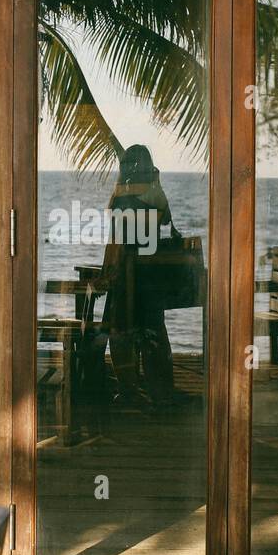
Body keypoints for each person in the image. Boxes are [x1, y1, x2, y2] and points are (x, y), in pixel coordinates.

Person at [97, 145, 180, 405]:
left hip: (127, 269)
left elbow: (115, 230)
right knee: (152, 332)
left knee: (121, 330)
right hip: (150, 271)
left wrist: (107, 268)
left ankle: (129, 388)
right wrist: (156, 182)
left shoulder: (122, 192)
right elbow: (166, 219)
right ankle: (160, 391)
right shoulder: (154, 190)